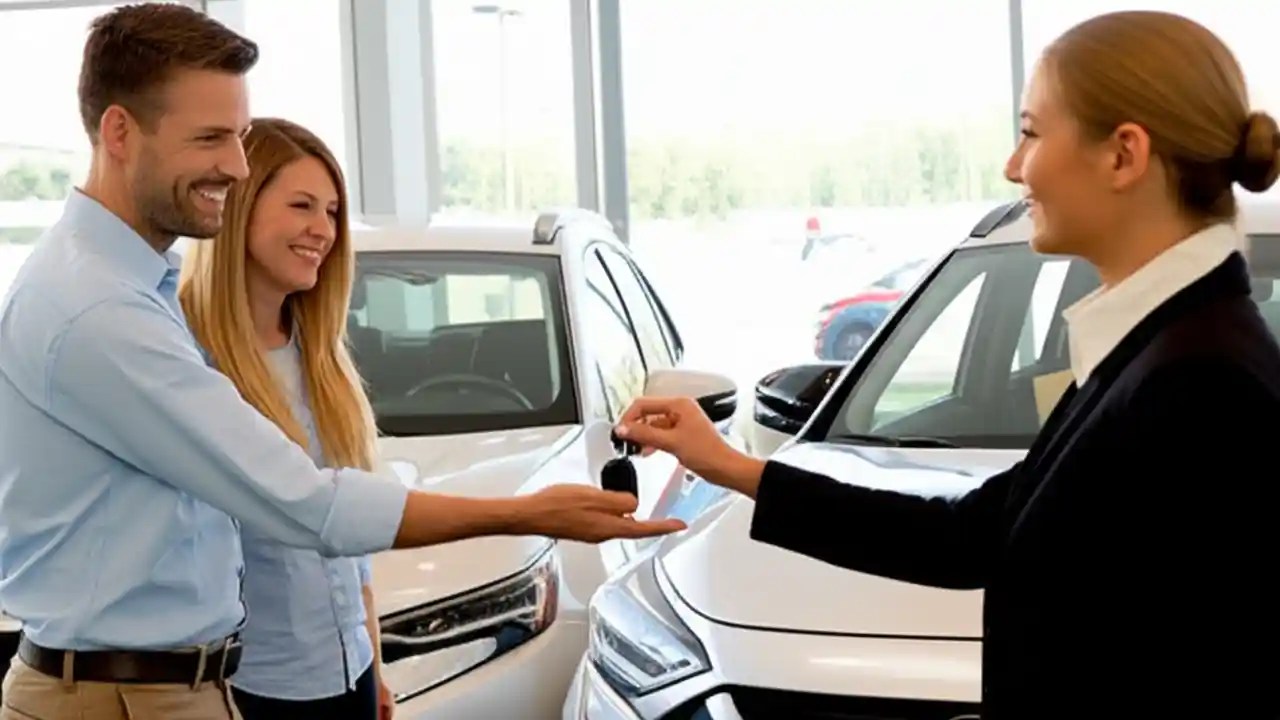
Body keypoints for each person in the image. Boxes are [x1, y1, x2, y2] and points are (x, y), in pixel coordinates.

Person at [0, 5, 681, 719]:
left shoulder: (133, 289)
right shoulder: (102, 312)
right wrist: (525, 513)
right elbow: (307, 503)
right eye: (211, 138)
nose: (234, 164)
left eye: (238, 138)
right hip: (126, 697)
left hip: (173, 685)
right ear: (118, 133)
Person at [615, 11, 1280, 719]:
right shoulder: (1156, 349)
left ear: (1124, 155)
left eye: (1031, 131)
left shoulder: (1203, 383)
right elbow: (972, 534)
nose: (1012, 166)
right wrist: (734, 469)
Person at [177, 118, 393, 718]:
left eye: (331, 212)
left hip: (348, 673)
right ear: (240, 207)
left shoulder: (320, 355)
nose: (321, 229)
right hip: (251, 687)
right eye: (301, 205)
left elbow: (352, 547)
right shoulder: (185, 356)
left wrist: (374, 664)